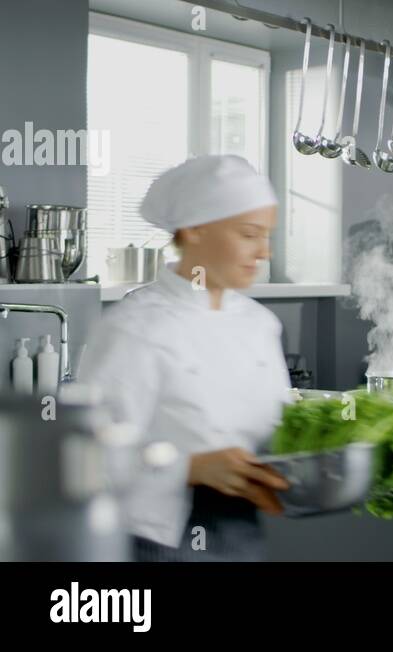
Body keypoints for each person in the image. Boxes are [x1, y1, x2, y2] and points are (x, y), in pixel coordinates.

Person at [80, 155, 291, 561]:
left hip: (241, 532)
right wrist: (189, 468)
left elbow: (275, 429)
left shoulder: (260, 324)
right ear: (194, 229)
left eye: (268, 236)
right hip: (157, 540)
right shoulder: (134, 328)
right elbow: (91, 459)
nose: (263, 252)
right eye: (249, 234)